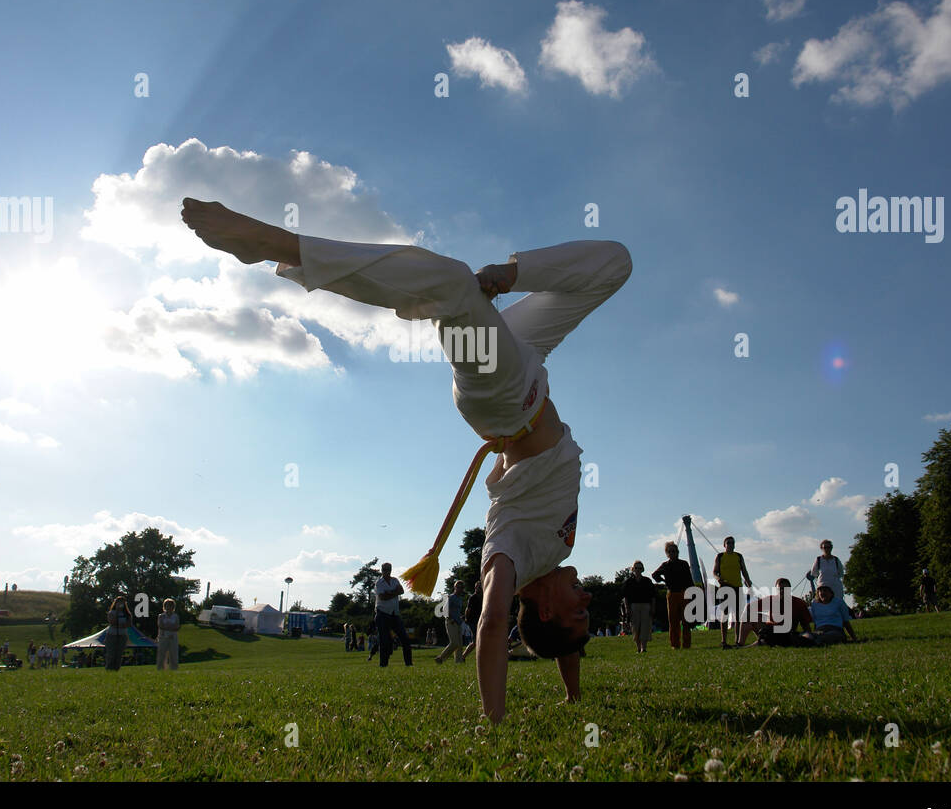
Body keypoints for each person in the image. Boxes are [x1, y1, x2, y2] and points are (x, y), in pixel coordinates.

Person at [181, 199, 629, 723]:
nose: (587, 600)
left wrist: (495, 718)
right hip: (529, 364)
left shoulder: (512, 556)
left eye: (579, 611)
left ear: (547, 609)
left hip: (508, 397)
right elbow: (566, 643)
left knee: (451, 285)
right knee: (615, 263)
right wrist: (573, 695)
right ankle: (512, 271)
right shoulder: (555, 560)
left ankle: (280, 247)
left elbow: (490, 623)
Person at [737, 578, 812, 646]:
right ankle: (740, 643)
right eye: (780, 589)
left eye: (785, 589)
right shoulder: (771, 600)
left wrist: (808, 637)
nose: (782, 591)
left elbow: (806, 625)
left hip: (787, 633)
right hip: (769, 629)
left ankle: (762, 642)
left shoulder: (799, 603)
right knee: (748, 616)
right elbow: (749, 607)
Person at [653, 541, 696, 649]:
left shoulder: (684, 564)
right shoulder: (665, 565)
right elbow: (654, 575)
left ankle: (686, 645)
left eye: (674, 551)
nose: (672, 553)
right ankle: (675, 645)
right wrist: (663, 580)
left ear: (677, 552)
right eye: (670, 551)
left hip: (684, 593)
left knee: (686, 621)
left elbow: (690, 580)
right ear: (667, 553)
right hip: (671, 594)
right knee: (673, 621)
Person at [712, 537, 752, 649]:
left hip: (737, 587)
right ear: (724, 545)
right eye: (728, 543)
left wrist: (748, 582)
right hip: (724, 587)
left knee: (738, 615)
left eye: (732, 543)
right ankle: (724, 640)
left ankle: (738, 641)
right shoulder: (720, 556)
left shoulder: (738, 556)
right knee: (724, 614)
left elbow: (744, 570)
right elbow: (715, 571)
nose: (730, 545)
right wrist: (718, 578)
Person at [372, 562, 412, 667]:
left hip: (395, 614)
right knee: (384, 641)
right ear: (382, 570)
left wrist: (389, 593)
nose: (387, 571)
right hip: (382, 614)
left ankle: (409, 664)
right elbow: (382, 597)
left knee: (405, 639)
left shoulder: (395, 580)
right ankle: (383, 665)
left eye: (389, 569)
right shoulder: (379, 583)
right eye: (385, 569)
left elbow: (402, 591)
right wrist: (395, 592)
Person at [621, 560, 655, 653]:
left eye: (640, 568)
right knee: (636, 628)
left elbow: (652, 596)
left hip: (646, 606)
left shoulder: (647, 581)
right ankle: (638, 647)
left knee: (645, 627)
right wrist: (627, 609)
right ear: (633, 569)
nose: (638, 570)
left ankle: (644, 648)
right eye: (636, 568)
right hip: (634, 606)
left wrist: (653, 607)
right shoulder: (628, 582)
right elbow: (626, 597)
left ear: (642, 569)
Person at [436, 580, 467, 664]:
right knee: (454, 643)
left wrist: (461, 617)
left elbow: (456, 611)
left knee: (460, 645)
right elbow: (444, 610)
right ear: (455, 588)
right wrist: (451, 618)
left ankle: (458, 661)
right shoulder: (451, 597)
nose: (459, 589)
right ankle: (440, 658)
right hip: (451, 622)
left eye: (461, 587)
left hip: (458, 622)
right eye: (458, 587)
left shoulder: (460, 599)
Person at [105, 597, 132, 671]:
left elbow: (129, 624)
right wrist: (117, 611)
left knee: (119, 654)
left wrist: (123, 625)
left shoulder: (127, 614)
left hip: (122, 635)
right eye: (119, 603)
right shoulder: (112, 612)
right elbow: (112, 622)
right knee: (111, 653)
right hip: (112, 634)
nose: (120, 605)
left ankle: (116, 669)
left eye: (122, 603)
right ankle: (109, 668)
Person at [459, 583, 483, 660]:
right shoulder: (473, 597)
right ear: (475, 588)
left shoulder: (483, 597)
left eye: (480, 587)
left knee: (479, 640)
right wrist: (466, 618)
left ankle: (463, 657)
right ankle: (462, 657)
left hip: (480, 621)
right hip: (472, 621)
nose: (478, 589)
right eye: (477, 587)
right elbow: (467, 609)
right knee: (476, 641)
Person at [157, 599, 180, 670]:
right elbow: (160, 626)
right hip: (163, 636)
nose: (169, 607)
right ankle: (161, 669)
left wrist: (167, 627)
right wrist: (170, 627)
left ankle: (174, 669)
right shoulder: (161, 616)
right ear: (165, 606)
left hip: (173, 637)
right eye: (167, 605)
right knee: (162, 654)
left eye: (170, 606)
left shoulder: (175, 616)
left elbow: (177, 627)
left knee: (174, 654)